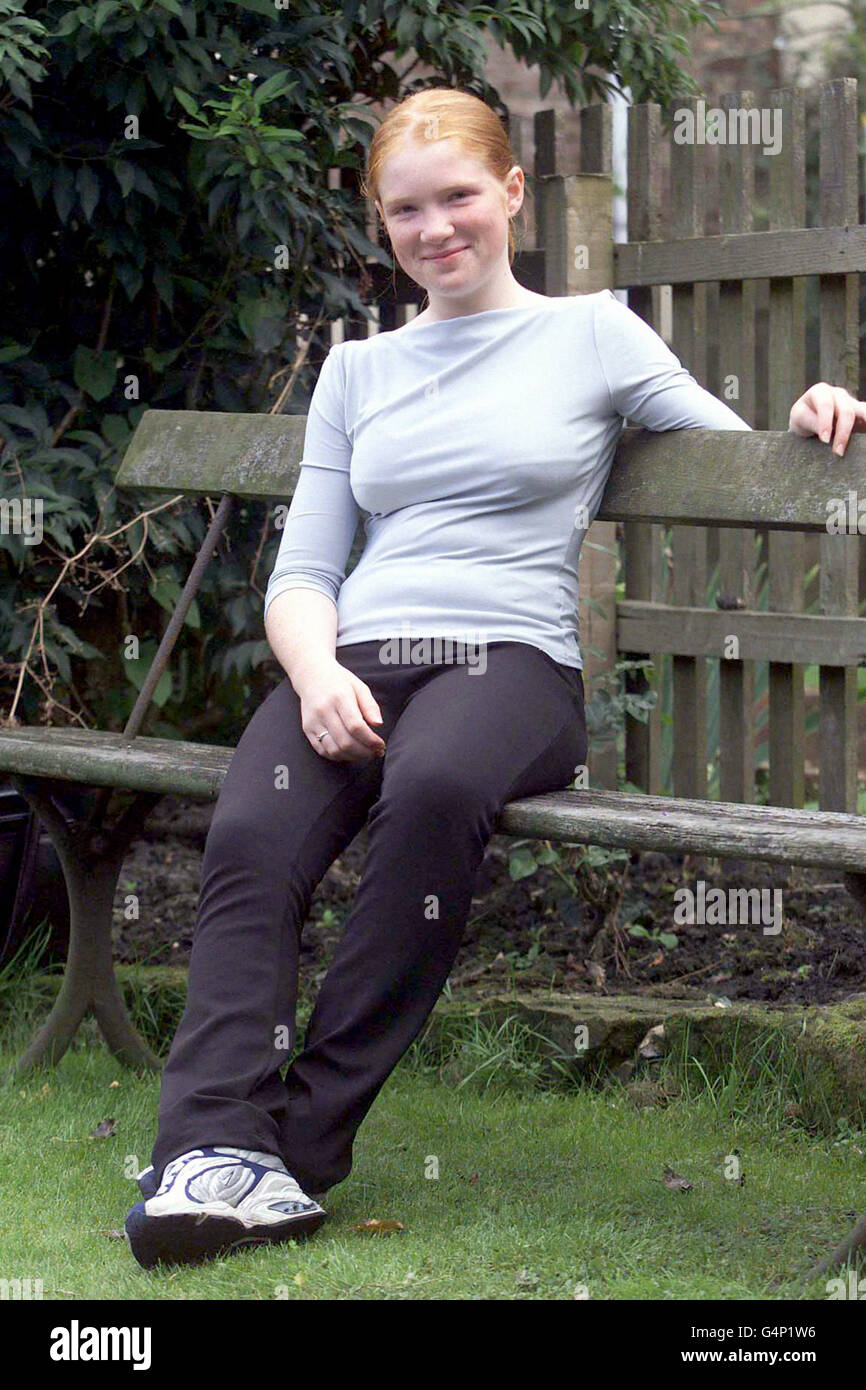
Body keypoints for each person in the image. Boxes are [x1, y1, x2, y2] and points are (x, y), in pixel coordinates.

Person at [124, 86, 866, 1271]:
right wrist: (313, 675)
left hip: (509, 664)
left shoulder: (592, 333)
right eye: (407, 210)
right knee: (252, 830)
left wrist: (809, 410)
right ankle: (211, 1149)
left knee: (432, 788)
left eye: (459, 196)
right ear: (383, 222)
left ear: (510, 193)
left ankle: (295, 1138)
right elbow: (305, 570)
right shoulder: (357, 373)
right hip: (357, 657)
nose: (436, 229)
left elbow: (733, 453)